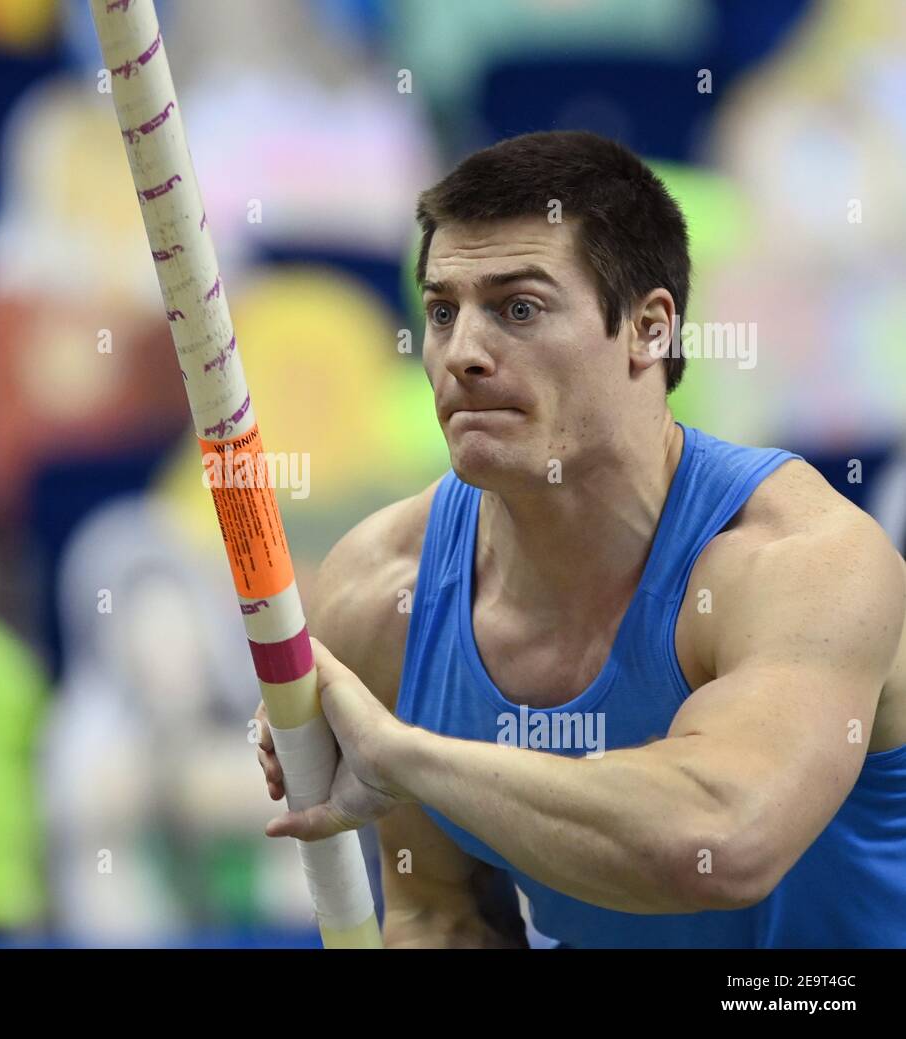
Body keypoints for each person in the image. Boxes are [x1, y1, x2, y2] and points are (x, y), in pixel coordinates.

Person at [254, 131, 906, 948]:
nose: (464, 354)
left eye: (517, 308)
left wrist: (407, 756)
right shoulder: (384, 588)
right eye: (442, 310)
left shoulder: (803, 561)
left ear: (647, 328)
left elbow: (721, 841)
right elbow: (440, 912)